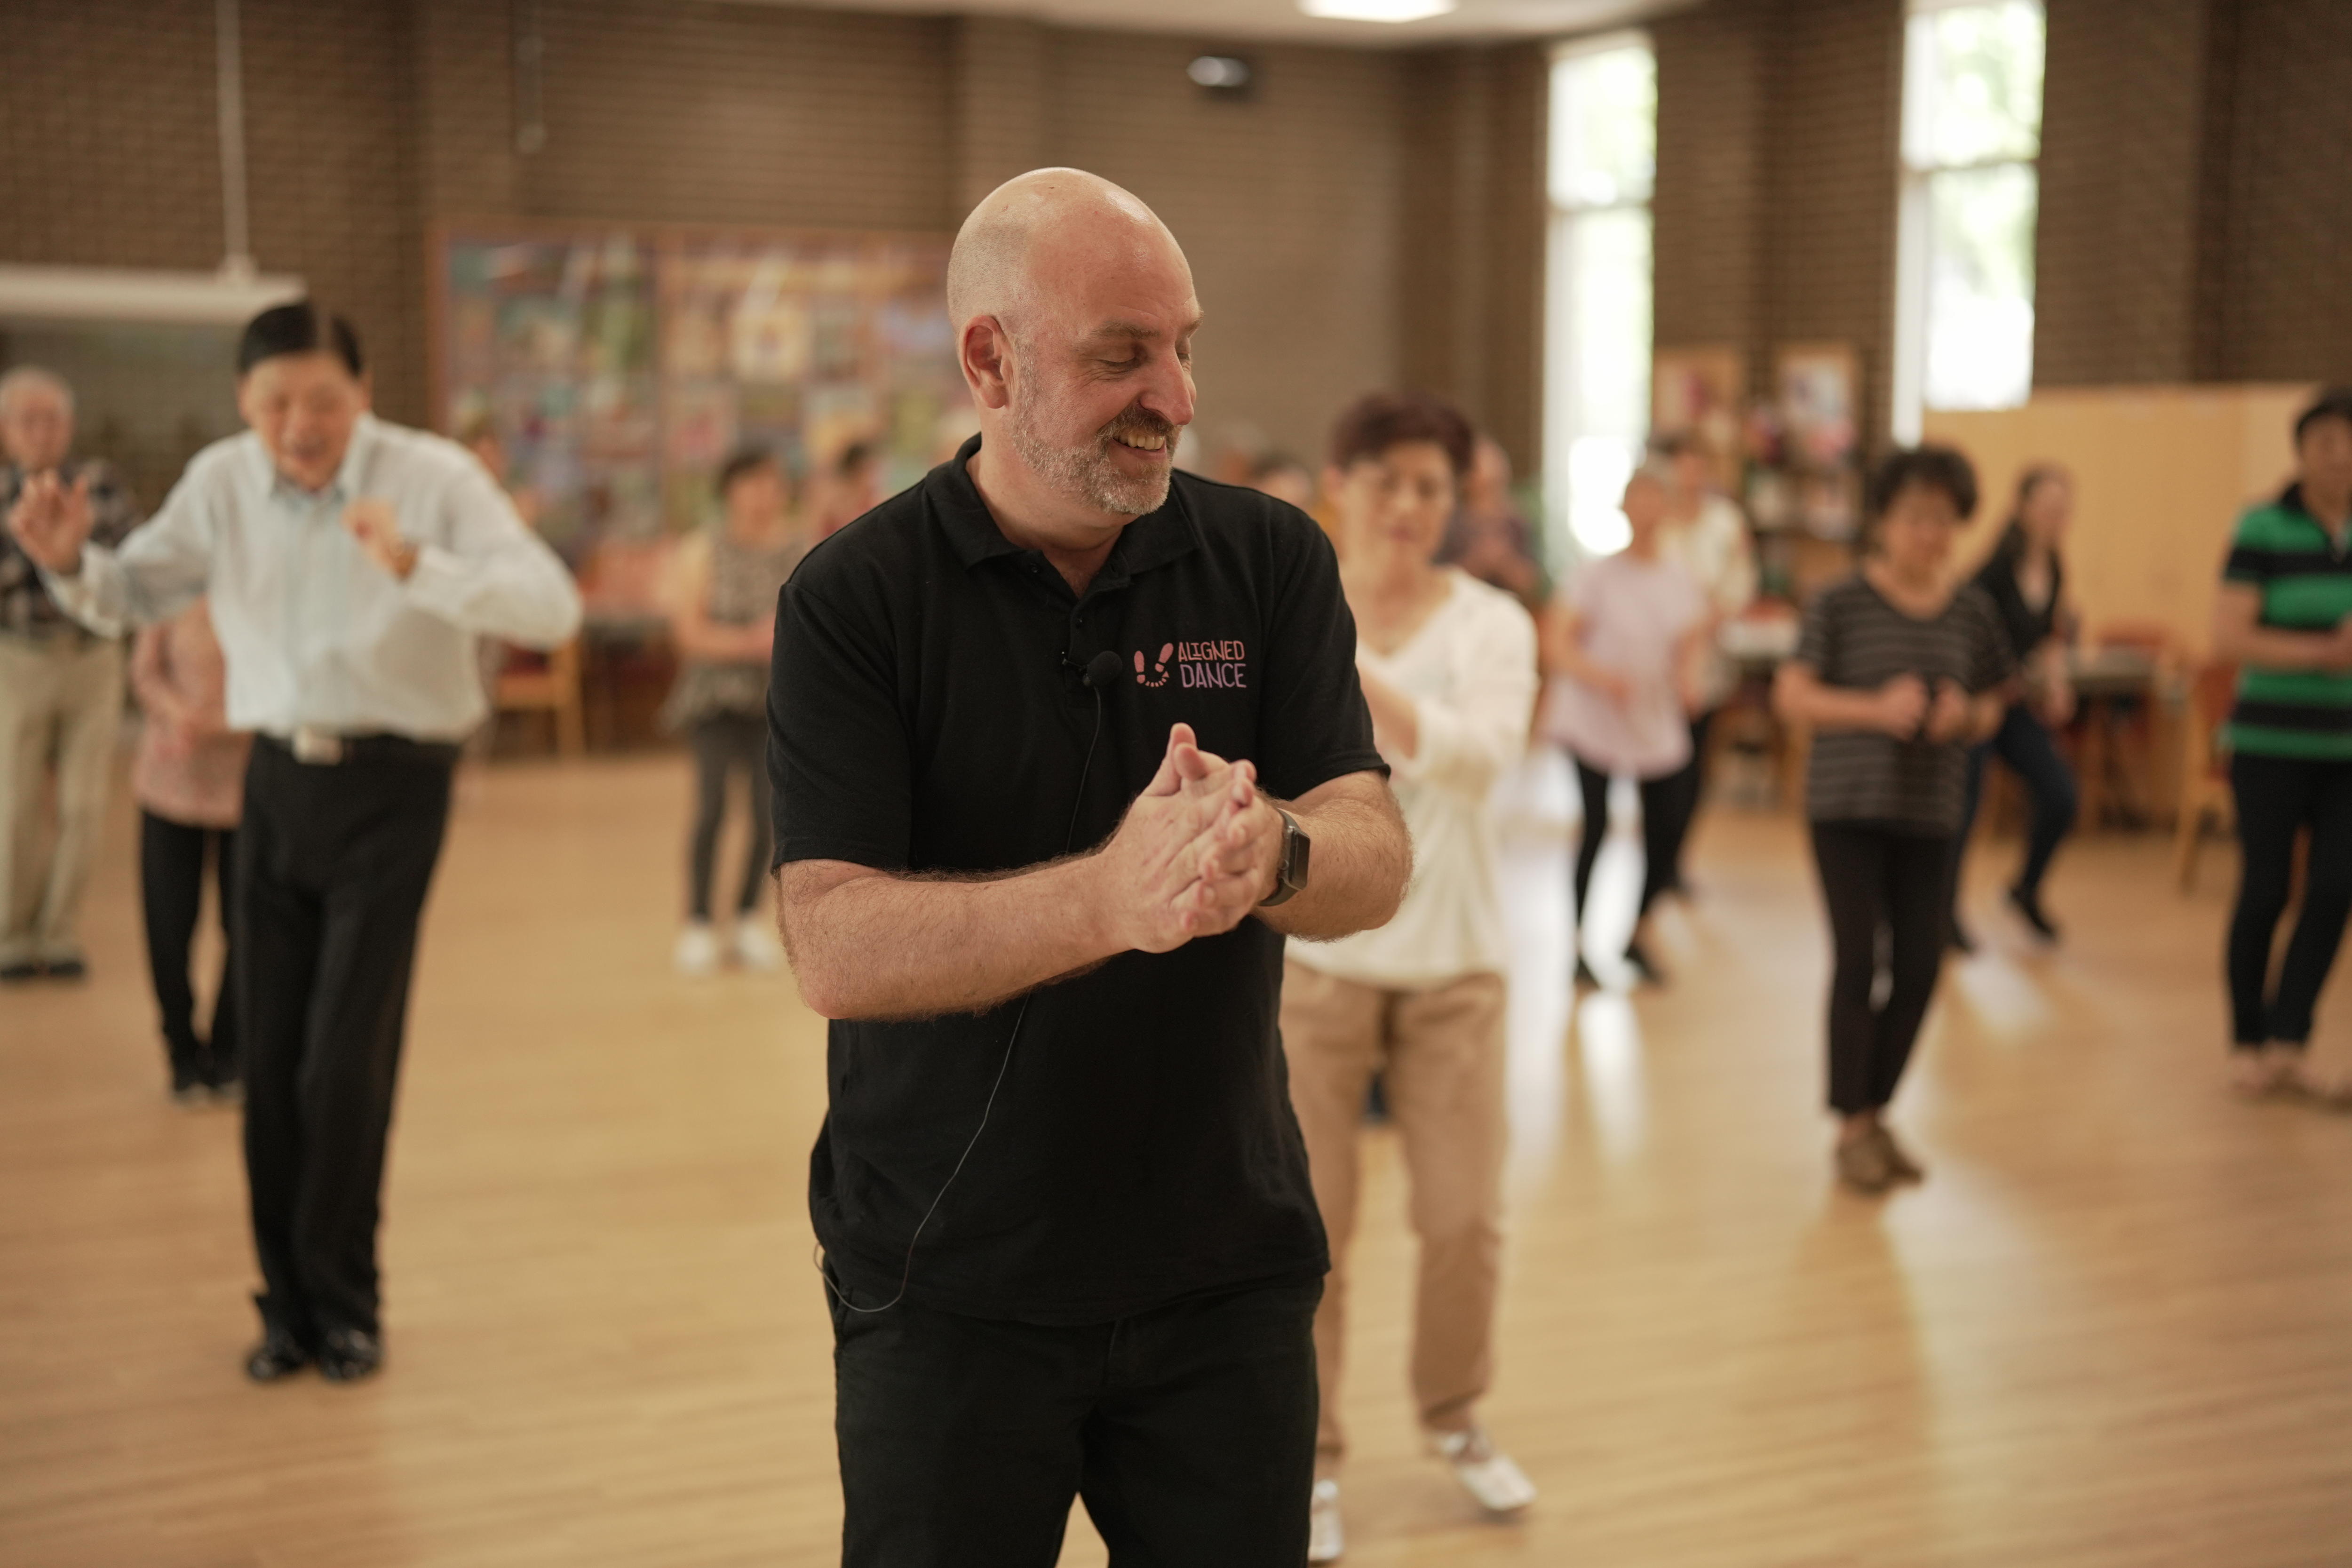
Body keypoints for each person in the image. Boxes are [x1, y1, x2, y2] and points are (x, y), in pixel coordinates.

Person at [768, 169, 1412, 1568]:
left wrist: (1275, 853)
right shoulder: (855, 599)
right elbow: (832, 946)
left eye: (1183, 347)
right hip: (947, 1284)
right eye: (1122, 356)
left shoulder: (1268, 562)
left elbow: (1372, 853)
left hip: (1227, 1273)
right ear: (989, 362)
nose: (1173, 397)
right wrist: (1110, 897)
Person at [9, 302, 582, 1383]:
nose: (299, 424)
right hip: (273, 780)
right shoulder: (223, 480)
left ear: (361, 395)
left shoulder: (432, 477)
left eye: (323, 400)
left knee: (344, 1059)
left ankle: (346, 1301)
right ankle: (285, 1307)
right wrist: (70, 561)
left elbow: (551, 608)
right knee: (268, 1056)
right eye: (274, 403)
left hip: (397, 786)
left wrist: (415, 563)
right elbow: (130, 591)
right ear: (244, 403)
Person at [1277, 391, 1540, 1564]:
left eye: (1431, 486)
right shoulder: (1293, 607)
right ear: (1343, 486)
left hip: (1456, 970)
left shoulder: (1492, 625)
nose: (1407, 505)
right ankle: (1313, 1453)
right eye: (1385, 481)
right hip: (1316, 963)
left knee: (1463, 1216)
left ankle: (1454, 1412)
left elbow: (1480, 763)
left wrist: (1356, 670)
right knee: (1310, 1225)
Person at [1772, 446, 2009, 1194]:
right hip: (1846, 806)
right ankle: (1852, 1128)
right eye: (1914, 517)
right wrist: (1875, 710)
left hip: (1931, 809)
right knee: (1857, 961)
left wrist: (1965, 714)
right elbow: (1794, 695)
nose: (1929, 534)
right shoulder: (1840, 601)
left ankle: (1874, 1112)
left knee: (1920, 966)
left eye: (1943, 520)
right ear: (1882, 521)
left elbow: (1995, 701)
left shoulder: (1972, 610)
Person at [2210, 388, 2352, 1102]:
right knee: (2265, 889)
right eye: (2326, 441)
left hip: (2345, 750)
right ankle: (2247, 1037)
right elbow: (2229, 636)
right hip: (2268, 742)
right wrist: (2323, 654)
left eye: (2351, 441)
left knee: (2335, 889)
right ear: (2300, 452)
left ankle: (2290, 1039)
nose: (2341, 455)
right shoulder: (2263, 526)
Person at [1541, 465, 1709, 987]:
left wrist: (1689, 681)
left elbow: (1690, 645)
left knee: (1668, 825)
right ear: (1624, 506)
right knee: (1594, 826)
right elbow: (1557, 642)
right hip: (1594, 717)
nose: (1647, 508)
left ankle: (1638, 931)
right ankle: (1576, 943)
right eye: (1638, 496)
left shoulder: (1679, 578)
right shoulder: (1595, 576)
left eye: (1656, 498)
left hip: (1651, 717)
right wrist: (1601, 677)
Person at [0, 366, 140, 982]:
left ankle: (58, 933)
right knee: (15, 805)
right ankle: (11, 933)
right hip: (18, 660)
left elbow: (130, 570)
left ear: (70, 426)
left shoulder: (99, 485)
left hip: (90, 659)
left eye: (52, 420)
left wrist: (73, 554)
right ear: (7, 430)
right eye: (28, 420)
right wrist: (38, 550)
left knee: (84, 805)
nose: (41, 432)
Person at [662, 446, 804, 975]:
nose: (764, 495)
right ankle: (698, 921)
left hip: (776, 701)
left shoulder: (799, 548)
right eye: (752, 483)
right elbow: (688, 633)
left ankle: (747, 918)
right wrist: (750, 642)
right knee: (712, 808)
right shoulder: (702, 549)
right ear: (729, 491)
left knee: (770, 815)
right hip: (713, 701)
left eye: (773, 483)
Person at [1947, 466, 2079, 950]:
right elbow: (1964, 635)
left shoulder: (2055, 567)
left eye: (2062, 509)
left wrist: (2056, 683)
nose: (2055, 517)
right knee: (1965, 810)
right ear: (2022, 509)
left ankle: (2026, 888)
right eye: (2046, 507)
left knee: (2061, 795)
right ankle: (1944, 912)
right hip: (1979, 702)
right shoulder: (1995, 570)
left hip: (2017, 706)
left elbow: (2047, 639)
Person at [129, 598, 251, 1102]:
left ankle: (228, 1051)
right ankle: (181, 1050)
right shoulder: (171, 589)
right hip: (170, 780)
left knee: (247, 924)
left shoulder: (260, 590)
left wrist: (222, 721)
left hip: (247, 783)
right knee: (169, 923)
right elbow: (145, 672)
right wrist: (179, 714)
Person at [1655, 432, 1758, 898]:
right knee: (1659, 764)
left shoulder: (1725, 522)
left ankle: (1676, 856)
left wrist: (1706, 622)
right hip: (1658, 660)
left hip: (1708, 655)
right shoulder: (1657, 519)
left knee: (1694, 762)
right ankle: (1656, 857)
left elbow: (1740, 582)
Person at [1437, 435, 1544, 610]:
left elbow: (1531, 582)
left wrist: (1503, 562)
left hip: (1507, 609)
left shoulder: (1516, 522)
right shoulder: (1449, 520)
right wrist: (1479, 561)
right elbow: (1437, 578)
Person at [812, 439, 884, 540]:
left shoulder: (876, 503)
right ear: (854, 472)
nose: (874, 479)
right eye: (867, 471)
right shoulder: (834, 505)